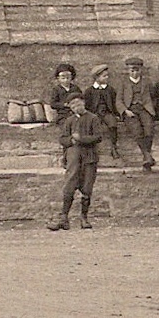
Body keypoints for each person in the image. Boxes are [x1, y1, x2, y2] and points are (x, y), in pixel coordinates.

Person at [48, 96, 105, 231]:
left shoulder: (93, 118)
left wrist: (82, 139)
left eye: (78, 104)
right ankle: (64, 218)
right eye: (72, 106)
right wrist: (71, 141)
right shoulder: (69, 121)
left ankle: (84, 218)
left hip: (89, 157)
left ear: (83, 103)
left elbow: (98, 137)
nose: (76, 107)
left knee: (87, 187)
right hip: (73, 158)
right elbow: (62, 139)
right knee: (69, 186)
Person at [117, 56, 157, 169]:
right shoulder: (123, 83)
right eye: (132, 70)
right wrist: (125, 111)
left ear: (141, 70)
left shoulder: (147, 82)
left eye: (137, 70)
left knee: (149, 129)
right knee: (137, 130)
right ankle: (147, 156)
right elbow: (118, 100)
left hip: (144, 109)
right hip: (130, 110)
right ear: (128, 71)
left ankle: (146, 157)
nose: (134, 73)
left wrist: (150, 107)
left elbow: (154, 97)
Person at [82, 63, 122, 160]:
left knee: (112, 124)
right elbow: (86, 105)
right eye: (104, 76)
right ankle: (92, 150)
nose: (106, 78)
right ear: (96, 77)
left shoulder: (110, 90)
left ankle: (113, 147)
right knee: (93, 128)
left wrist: (117, 114)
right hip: (94, 113)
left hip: (107, 112)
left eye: (107, 76)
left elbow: (114, 103)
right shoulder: (89, 91)